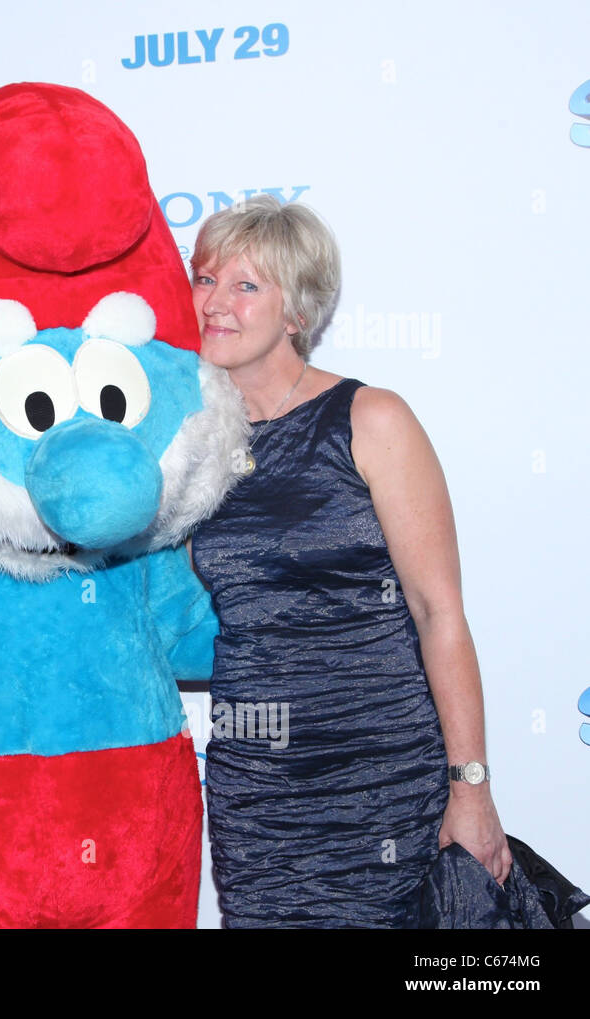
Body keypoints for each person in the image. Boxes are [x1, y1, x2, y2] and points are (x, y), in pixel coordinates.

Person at [188, 195, 509, 928]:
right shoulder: (187, 443)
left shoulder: (370, 419)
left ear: (296, 311)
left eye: (246, 286)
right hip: (255, 781)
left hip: (383, 770)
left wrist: (472, 787)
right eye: (205, 279)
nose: (215, 303)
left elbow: (440, 613)